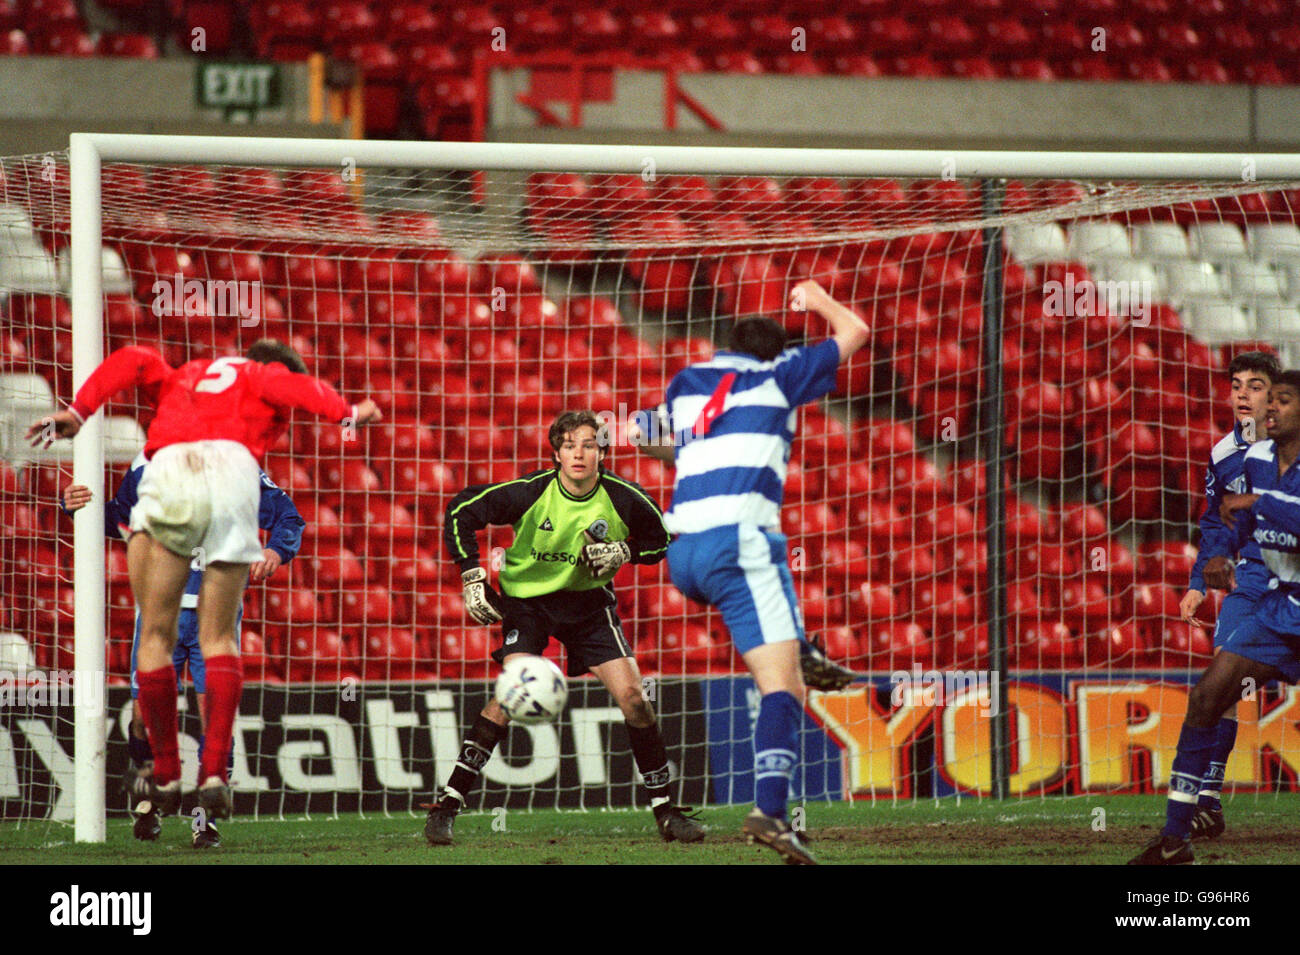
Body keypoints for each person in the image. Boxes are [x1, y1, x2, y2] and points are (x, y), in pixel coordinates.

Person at [28, 339, 379, 832]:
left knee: (153, 634)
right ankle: (212, 773)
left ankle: (167, 776)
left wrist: (79, 411)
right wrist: (349, 411)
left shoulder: (184, 376)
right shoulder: (261, 377)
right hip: (232, 472)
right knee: (222, 643)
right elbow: (295, 388)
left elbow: (132, 359)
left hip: (169, 466)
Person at [632, 278, 870, 864]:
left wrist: (689, 453)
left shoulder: (688, 381)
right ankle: (769, 813)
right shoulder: (779, 375)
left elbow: (640, 433)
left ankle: (801, 650)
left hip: (681, 552)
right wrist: (814, 299)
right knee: (783, 689)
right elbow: (856, 331)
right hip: (737, 543)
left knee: (780, 653)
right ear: (774, 353)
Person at [425, 409, 704, 846]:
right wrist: (471, 575)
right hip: (528, 605)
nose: (579, 453)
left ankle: (667, 813)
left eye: (589, 444)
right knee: (511, 695)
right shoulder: (532, 491)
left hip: (589, 605)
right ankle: (447, 805)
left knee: (634, 697)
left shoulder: (624, 497)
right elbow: (461, 508)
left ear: (602, 452)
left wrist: (624, 552)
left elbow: (662, 538)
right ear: (556, 453)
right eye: (570, 444)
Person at [59, 458, 305, 848]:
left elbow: (289, 517)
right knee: (143, 715)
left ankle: (204, 819)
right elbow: (120, 519)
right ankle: (147, 799)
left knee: (214, 717)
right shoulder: (147, 465)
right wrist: (78, 507)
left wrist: (276, 549)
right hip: (160, 611)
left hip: (217, 613)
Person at [1130, 369, 1300, 865]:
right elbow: (1230, 518)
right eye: (1244, 389)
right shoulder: (1256, 456)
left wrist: (1259, 503)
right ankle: (1175, 840)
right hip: (1274, 603)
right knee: (1207, 696)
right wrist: (1217, 561)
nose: (1266, 405)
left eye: (1280, 399)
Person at [1177, 350, 1280, 840]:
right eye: (1236, 384)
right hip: (1254, 581)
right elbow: (1215, 524)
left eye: (1254, 385)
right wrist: (1200, 580)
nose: (1242, 393)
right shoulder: (1222, 454)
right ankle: (1207, 802)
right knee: (1221, 682)